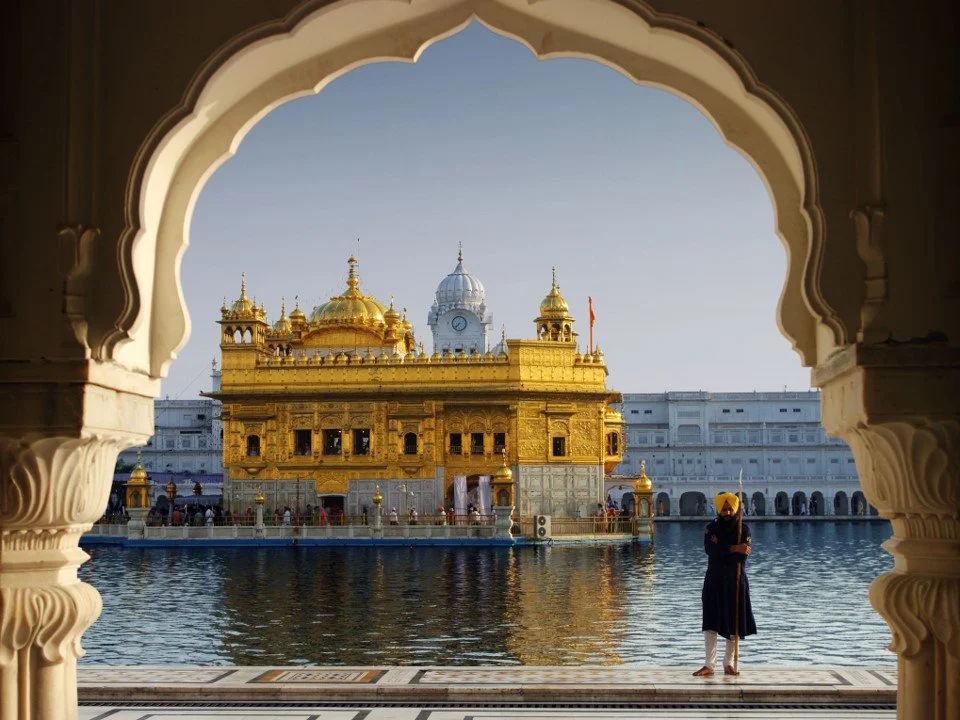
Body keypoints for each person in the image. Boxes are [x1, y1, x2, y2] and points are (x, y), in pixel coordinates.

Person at [693, 491, 756, 677]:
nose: (727, 512)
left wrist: (728, 549)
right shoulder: (711, 528)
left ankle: (728, 663)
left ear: (736, 509)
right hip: (714, 579)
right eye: (724, 509)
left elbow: (744, 554)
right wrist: (734, 548)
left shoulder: (743, 529)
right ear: (719, 510)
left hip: (736, 580)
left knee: (734, 623)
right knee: (710, 622)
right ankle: (709, 665)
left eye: (730, 509)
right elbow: (710, 550)